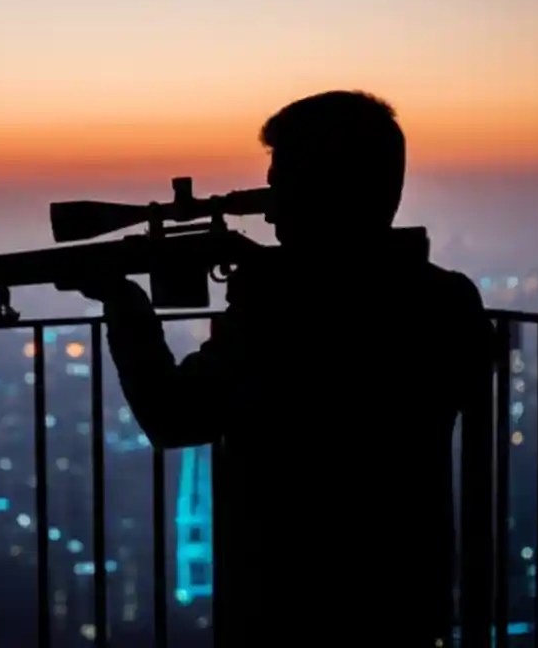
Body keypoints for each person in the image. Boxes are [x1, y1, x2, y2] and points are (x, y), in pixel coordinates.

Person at [61, 90, 495, 646]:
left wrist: (124, 306)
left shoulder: (281, 303)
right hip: (404, 589)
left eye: (284, 182)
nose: (270, 205)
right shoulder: (448, 298)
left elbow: (175, 417)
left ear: (326, 190)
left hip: (287, 597)